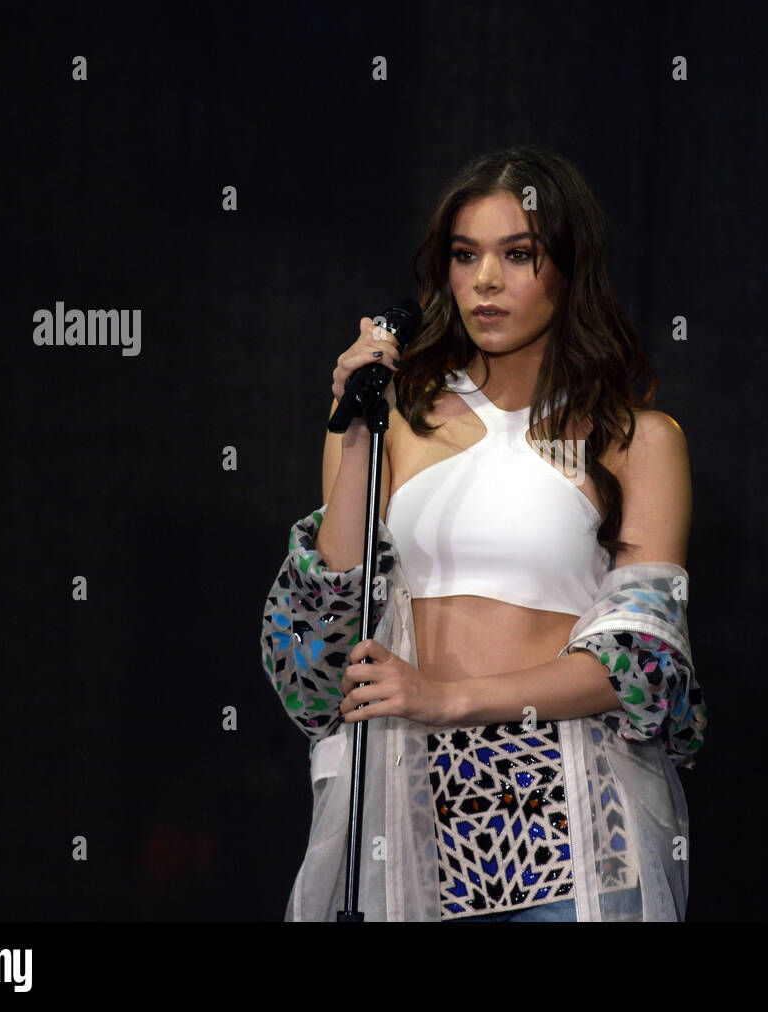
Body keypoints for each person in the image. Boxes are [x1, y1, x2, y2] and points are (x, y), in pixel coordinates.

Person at [259, 146, 708, 921]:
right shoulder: (387, 420)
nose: (486, 282)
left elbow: (641, 663)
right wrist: (359, 424)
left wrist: (446, 697)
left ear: (568, 267)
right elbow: (316, 654)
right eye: (466, 257)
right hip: (403, 824)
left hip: (571, 827)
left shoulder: (636, 439)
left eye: (519, 254)